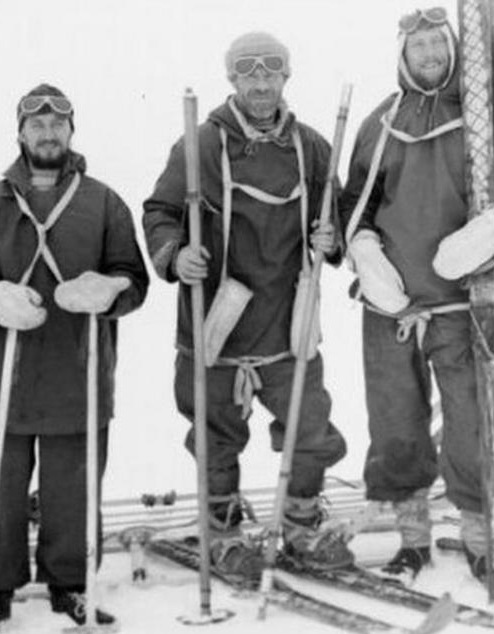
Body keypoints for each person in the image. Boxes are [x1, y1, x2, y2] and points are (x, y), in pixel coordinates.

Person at [339, 8, 494, 583]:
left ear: (457, 49)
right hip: (391, 306)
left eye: (439, 42)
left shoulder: (491, 120)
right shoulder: (380, 124)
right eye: (420, 46)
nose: (430, 54)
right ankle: (412, 540)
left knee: (474, 424)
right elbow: (353, 201)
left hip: (467, 303)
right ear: (403, 56)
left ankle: (483, 540)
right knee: (396, 425)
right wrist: (361, 248)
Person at [0, 84, 149, 633]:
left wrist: (109, 288)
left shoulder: (102, 202)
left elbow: (135, 278)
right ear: (20, 133)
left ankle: (72, 586)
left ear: (71, 131)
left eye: (58, 123)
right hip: (3, 374)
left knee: (73, 489)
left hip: (76, 372)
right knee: (0, 491)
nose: (48, 133)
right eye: (37, 125)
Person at [143, 32, 352, 576]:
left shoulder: (310, 147)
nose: (260, 83)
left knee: (310, 429)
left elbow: (342, 216)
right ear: (232, 79)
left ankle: (303, 526)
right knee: (215, 436)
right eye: (248, 72)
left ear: (286, 77)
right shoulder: (202, 145)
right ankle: (225, 533)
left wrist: (333, 240)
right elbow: (161, 211)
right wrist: (174, 255)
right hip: (218, 321)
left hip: (287, 323)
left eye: (271, 71)